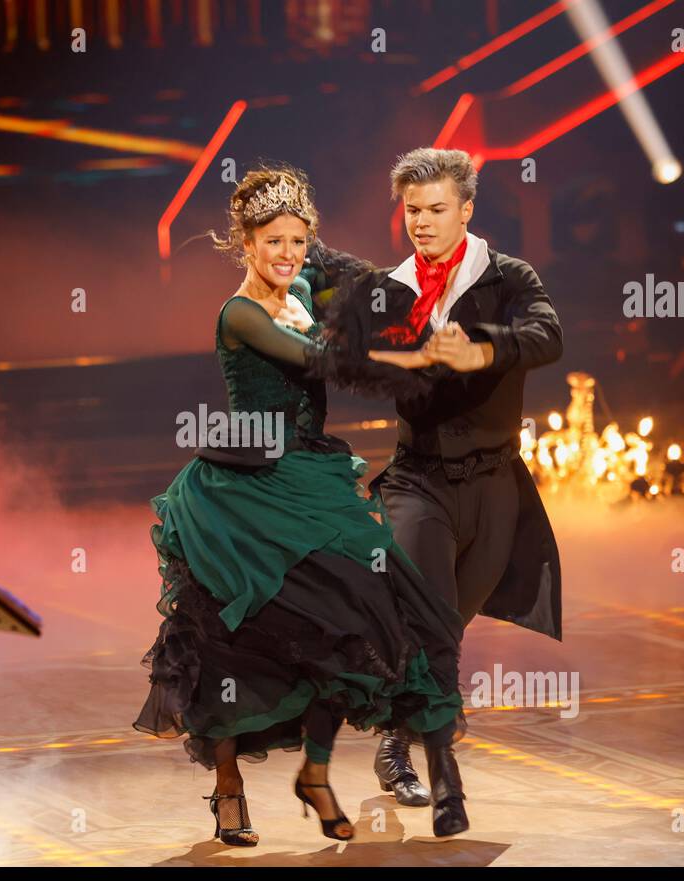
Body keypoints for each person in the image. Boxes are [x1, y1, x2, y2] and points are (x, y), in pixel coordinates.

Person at [133, 165, 470, 845]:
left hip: (310, 479)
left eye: (297, 242)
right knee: (229, 643)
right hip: (245, 491)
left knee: (359, 615)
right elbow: (320, 361)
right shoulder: (242, 313)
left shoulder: (309, 284)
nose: (286, 254)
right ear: (246, 245)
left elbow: (375, 290)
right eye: (273, 242)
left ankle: (315, 771)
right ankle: (229, 789)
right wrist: (406, 357)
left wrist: (386, 294)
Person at [306, 147, 564, 831]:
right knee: (431, 627)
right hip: (419, 482)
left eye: (436, 209)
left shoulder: (507, 278)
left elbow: (548, 334)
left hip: (494, 485)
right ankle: (448, 791)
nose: (421, 221)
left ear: (467, 207)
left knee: (443, 626)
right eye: (412, 210)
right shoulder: (389, 289)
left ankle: (394, 731)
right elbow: (353, 347)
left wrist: (482, 349)